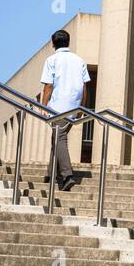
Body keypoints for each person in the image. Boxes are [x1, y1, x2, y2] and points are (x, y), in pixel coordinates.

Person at [40, 29, 90, 192]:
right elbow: (84, 86)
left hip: (57, 107)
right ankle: (50, 173)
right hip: (74, 106)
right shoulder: (79, 60)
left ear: (53, 44)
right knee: (58, 137)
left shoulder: (51, 60)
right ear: (68, 42)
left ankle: (67, 175)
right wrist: (82, 106)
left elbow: (48, 85)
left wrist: (43, 105)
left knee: (60, 138)